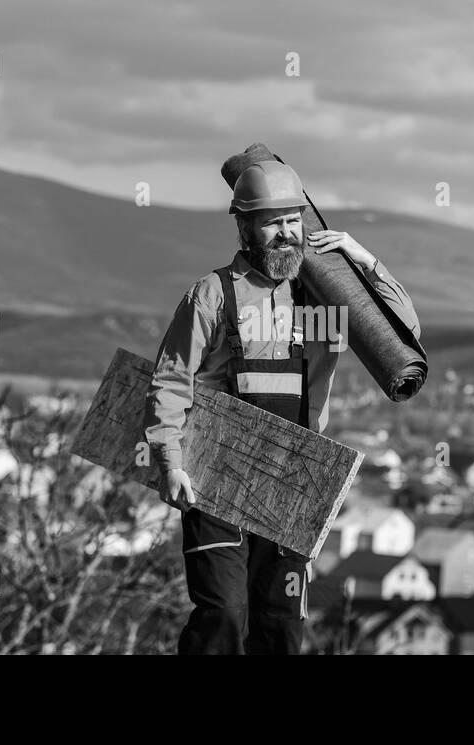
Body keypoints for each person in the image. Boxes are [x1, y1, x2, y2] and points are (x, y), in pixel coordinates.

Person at [142, 159, 421, 654]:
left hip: (292, 484)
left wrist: (362, 259)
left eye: (294, 220)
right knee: (223, 615)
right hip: (212, 478)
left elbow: (402, 335)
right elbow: (170, 380)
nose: (287, 233)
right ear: (245, 225)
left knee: (280, 627)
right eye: (272, 222)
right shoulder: (214, 295)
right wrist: (169, 462)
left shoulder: (321, 303)